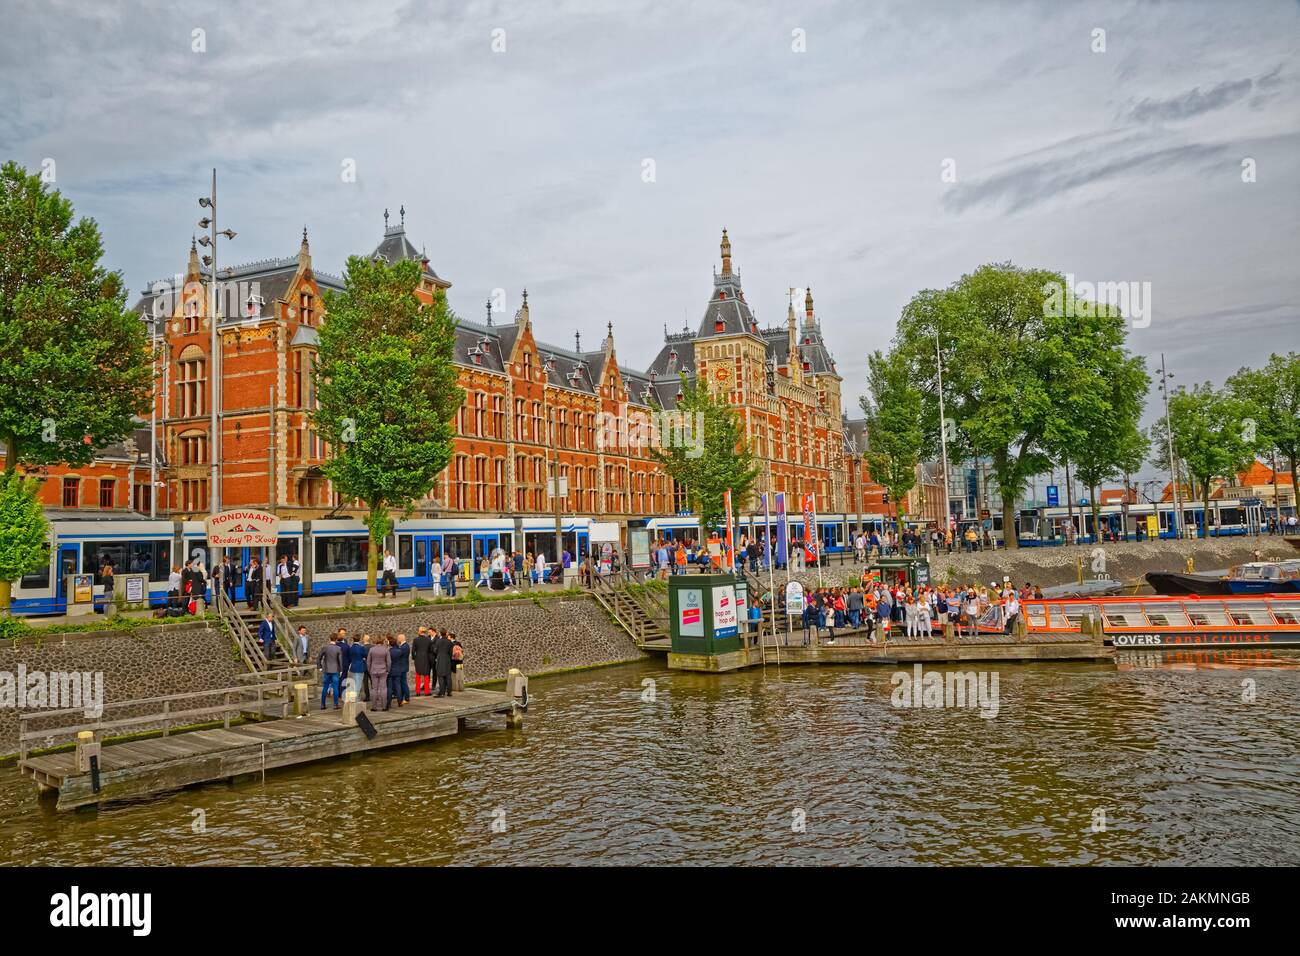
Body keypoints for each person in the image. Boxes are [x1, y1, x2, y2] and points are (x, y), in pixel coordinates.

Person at [317, 634, 345, 709]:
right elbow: (340, 661)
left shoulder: (325, 647)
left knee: (325, 687)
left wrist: (319, 667)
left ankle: (323, 704)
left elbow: (319, 657)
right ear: (336, 639)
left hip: (326, 670)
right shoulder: (338, 648)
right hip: (335, 670)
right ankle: (335, 704)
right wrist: (341, 670)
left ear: (329, 639)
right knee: (335, 687)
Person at [366, 635, 391, 711]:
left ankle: (374, 707)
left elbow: (368, 662)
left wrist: (369, 670)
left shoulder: (371, 649)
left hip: (373, 670)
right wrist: (388, 670)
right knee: (383, 688)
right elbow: (389, 662)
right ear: (382, 641)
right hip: (383, 670)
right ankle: (384, 706)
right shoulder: (386, 649)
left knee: (374, 689)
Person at [389, 633, 411, 706]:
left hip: (402, 667)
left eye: (398, 638)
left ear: (401, 638)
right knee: (402, 683)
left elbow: (399, 655)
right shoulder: (404, 646)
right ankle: (402, 697)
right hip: (402, 666)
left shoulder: (404, 647)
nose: (397, 639)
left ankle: (406, 698)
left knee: (403, 683)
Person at [412, 626, 435, 696]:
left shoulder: (415, 640)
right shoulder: (428, 640)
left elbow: (413, 651)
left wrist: (414, 658)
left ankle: (418, 692)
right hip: (426, 658)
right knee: (426, 675)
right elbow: (431, 650)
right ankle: (427, 691)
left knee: (418, 675)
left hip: (418, 658)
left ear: (420, 631)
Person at [348, 633, 369, 701]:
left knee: (353, 684)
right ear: (359, 639)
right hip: (359, 667)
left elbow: (350, 657)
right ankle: (354, 698)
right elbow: (365, 655)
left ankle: (353, 697)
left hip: (352, 667)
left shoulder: (351, 648)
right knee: (358, 684)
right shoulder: (361, 647)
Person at [433, 629, 454, 697]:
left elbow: (435, 650)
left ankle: (442, 692)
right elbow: (451, 653)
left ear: (440, 633)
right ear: (446, 634)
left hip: (440, 659)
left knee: (440, 676)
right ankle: (449, 692)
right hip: (447, 660)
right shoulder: (449, 642)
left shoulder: (438, 641)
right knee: (448, 676)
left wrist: (438, 654)